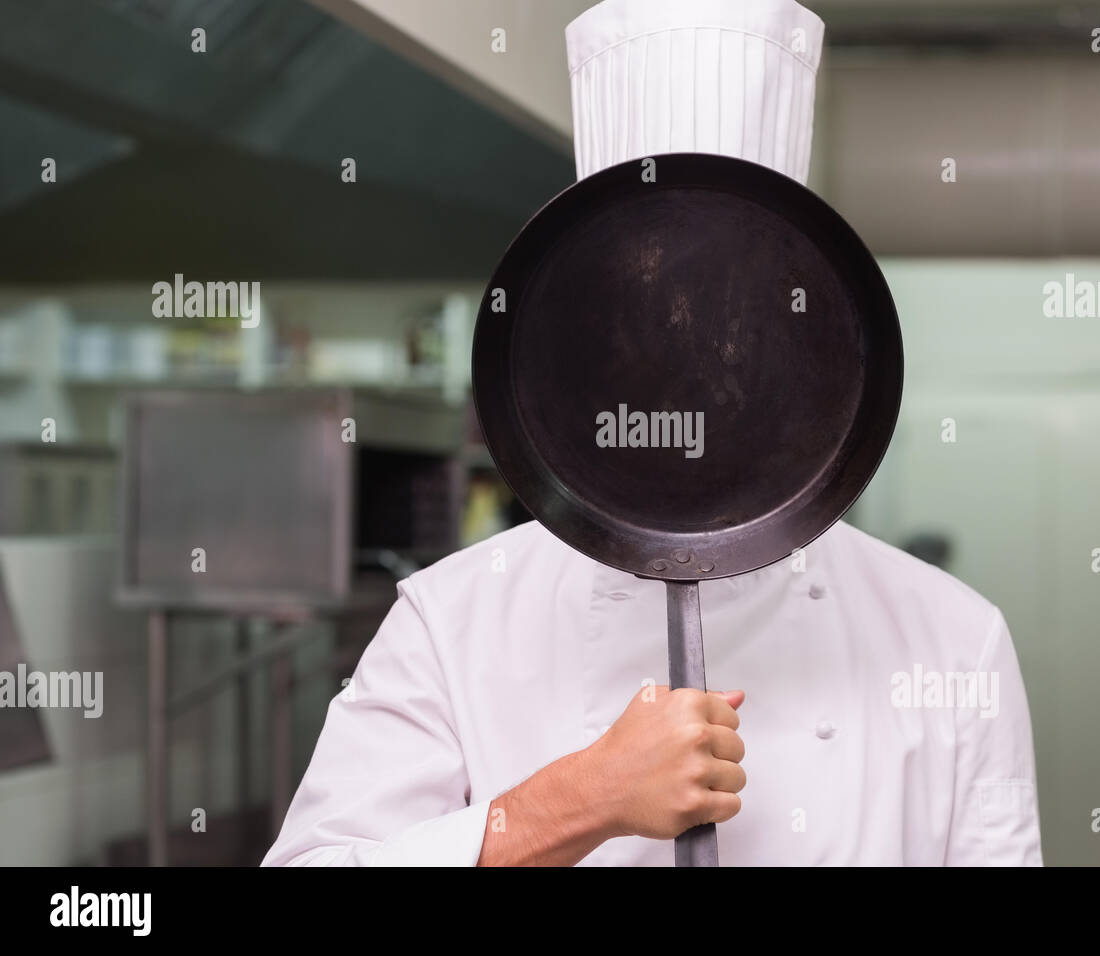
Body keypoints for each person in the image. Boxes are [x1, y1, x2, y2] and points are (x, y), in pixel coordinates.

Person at [263, 0, 1042, 867]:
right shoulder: (454, 623)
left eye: (737, 310)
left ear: (812, 325)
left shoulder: (949, 640)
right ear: (581, 331)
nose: (694, 358)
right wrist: (576, 801)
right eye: (648, 312)